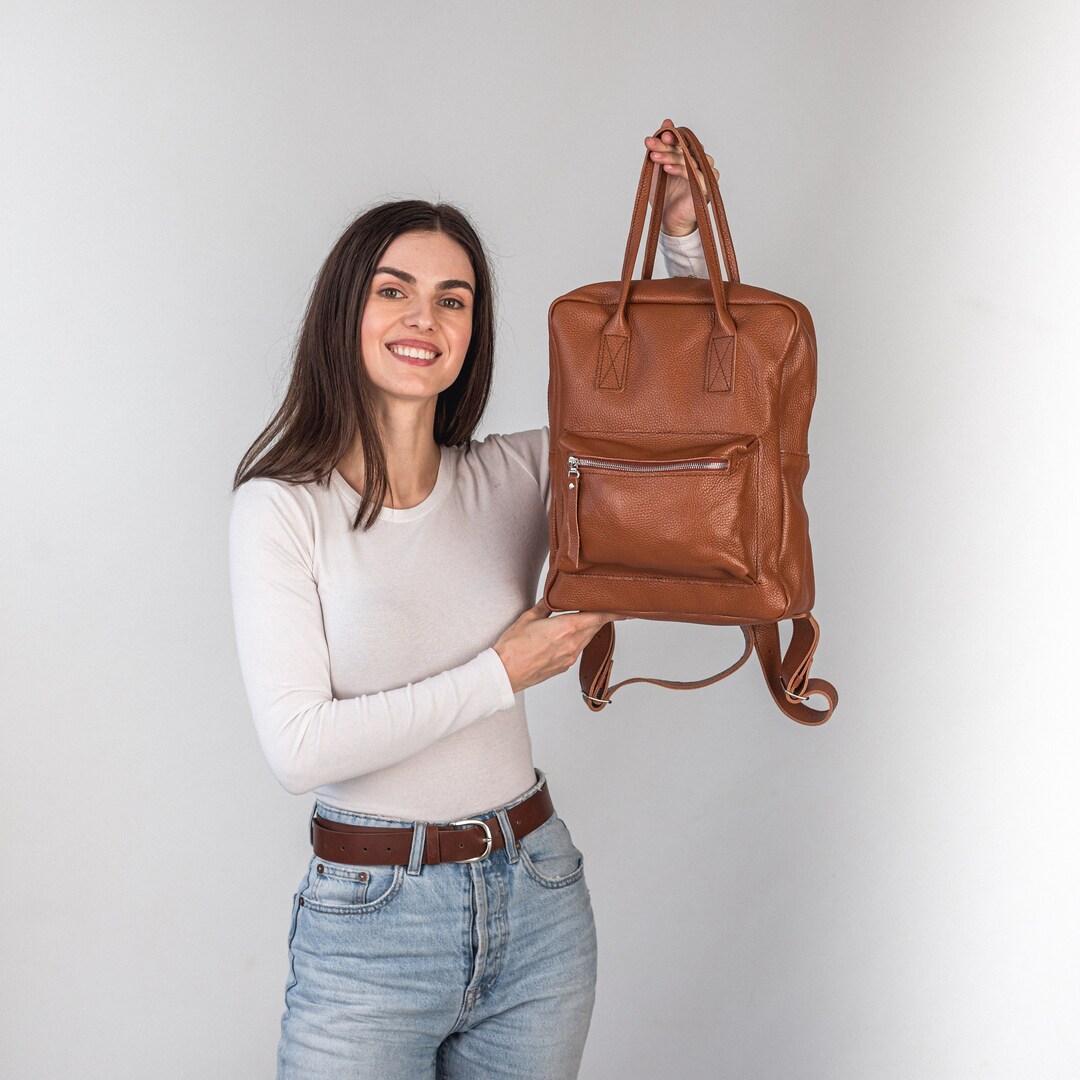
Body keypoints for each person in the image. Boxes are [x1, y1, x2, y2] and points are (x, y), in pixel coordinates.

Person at [228, 121, 715, 1079]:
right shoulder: (282, 507)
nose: (426, 318)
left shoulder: (518, 474)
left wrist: (685, 242)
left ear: (471, 334)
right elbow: (300, 748)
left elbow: (682, 415)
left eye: (454, 300)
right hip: (371, 925)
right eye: (393, 291)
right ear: (345, 312)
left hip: (536, 896)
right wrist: (504, 671)